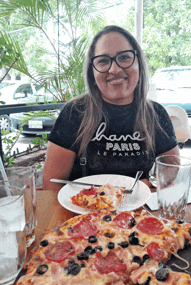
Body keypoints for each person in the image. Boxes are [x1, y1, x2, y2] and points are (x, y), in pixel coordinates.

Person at [43, 25, 179, 192]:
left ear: (139, 64)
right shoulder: (74, 112)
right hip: (83, 211)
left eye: (124, 57)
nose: (114, 69)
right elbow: (52, 183)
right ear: (92, 72)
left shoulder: (157, 114)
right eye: (103, 61)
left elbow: (171, 168)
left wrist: (136, 187)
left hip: (142, 212)